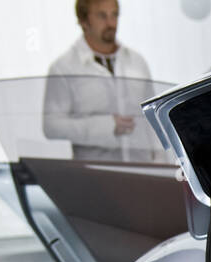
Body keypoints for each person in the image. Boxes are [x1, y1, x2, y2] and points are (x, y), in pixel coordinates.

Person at [43, 0, 160, 161]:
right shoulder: (63, 68)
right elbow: (51, 126)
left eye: (114, 15)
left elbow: (154, 119)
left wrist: (162, 169)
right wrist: (105, 127)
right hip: (96, 177)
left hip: (143, 173)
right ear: (83, 21)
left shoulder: (137, 62)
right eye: (102, 16)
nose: (111, 23)